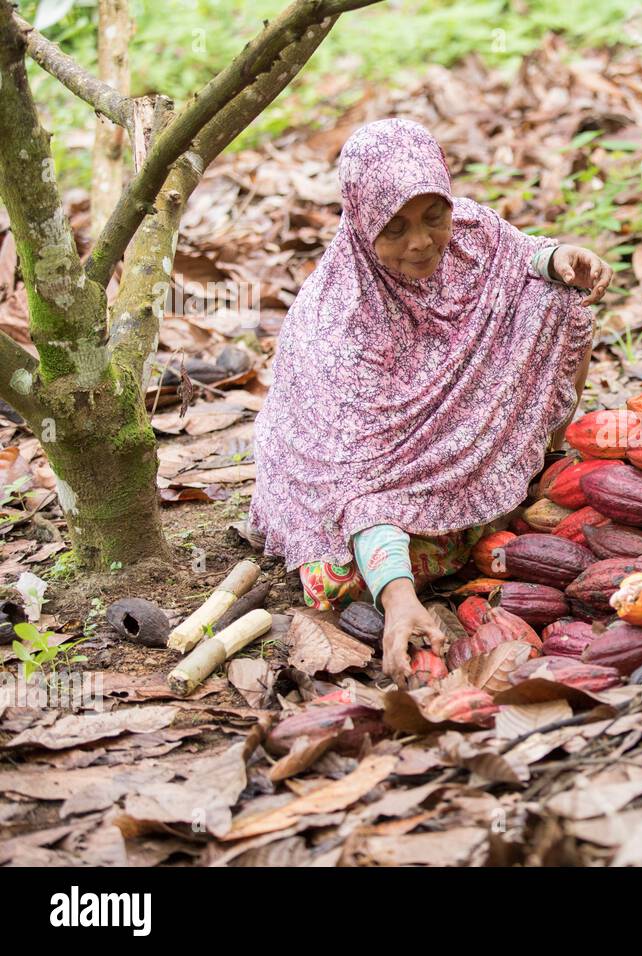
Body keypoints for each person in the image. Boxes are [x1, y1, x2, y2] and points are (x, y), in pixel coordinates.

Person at [248, 118, 612, 687]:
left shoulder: (467, 230)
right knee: (339, 578)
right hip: (347, 478)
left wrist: (560, 257)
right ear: (361, 224)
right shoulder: (341, 325)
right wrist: (396, 600)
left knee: (558, 300)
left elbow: (518, 255)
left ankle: (533, 466)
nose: (420, 242)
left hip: (445, 441)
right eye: (393, 229)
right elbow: (356, 479)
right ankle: (441, 539)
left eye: (432, 217)